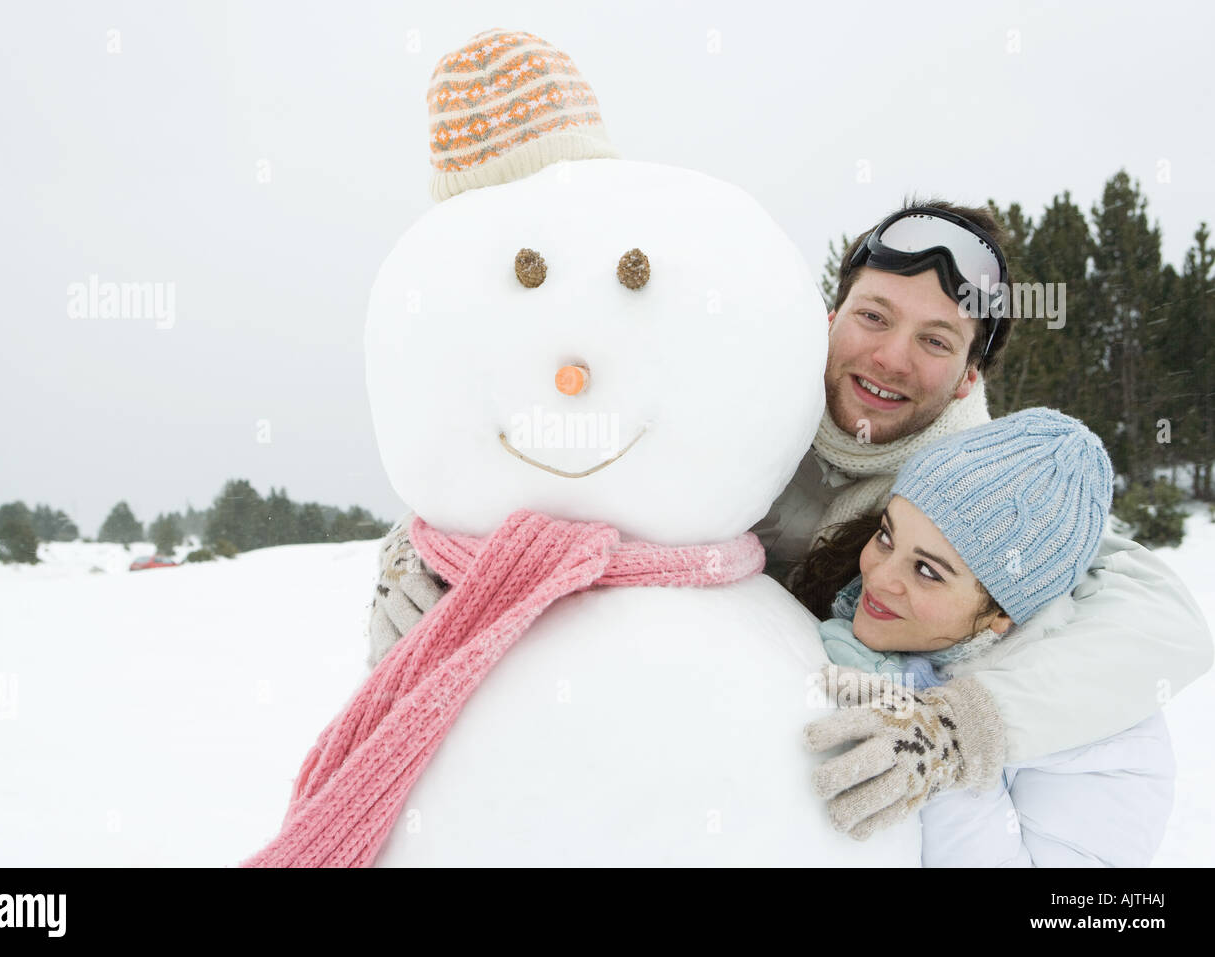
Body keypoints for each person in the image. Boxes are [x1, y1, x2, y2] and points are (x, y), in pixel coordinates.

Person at [363, 29, 1213, 839]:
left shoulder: (978, 488)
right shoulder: (741, 387)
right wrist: (433, 544)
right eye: (873, 315)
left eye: (936, 340)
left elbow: (1165, 624)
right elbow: (569, 441)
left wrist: (959, 729)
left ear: (969, 377)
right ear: (830, 311)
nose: (889, 357)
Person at [790, 408, 1175, 864]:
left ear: (1002, 614)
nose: (877, 576)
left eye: (928, 571)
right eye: (887, 537)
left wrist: (940, 759)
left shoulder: (1107, 734)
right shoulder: (880, 623)